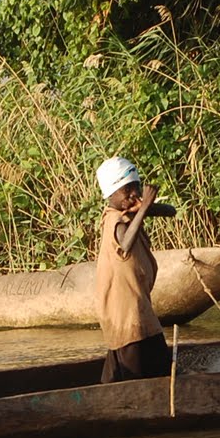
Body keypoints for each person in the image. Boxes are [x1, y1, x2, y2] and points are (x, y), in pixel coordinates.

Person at [94, 156, 177, 384]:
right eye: (126, 190)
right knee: (138, 369)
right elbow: (125, 244)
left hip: (136, 310)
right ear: (111, 194)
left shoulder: (129, 213)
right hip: (128, 313)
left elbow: (171, 211)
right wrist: (142, 211)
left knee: (125, 370)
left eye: (136, 188)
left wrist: (146, 206)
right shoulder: (115, 220)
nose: (133, 194)